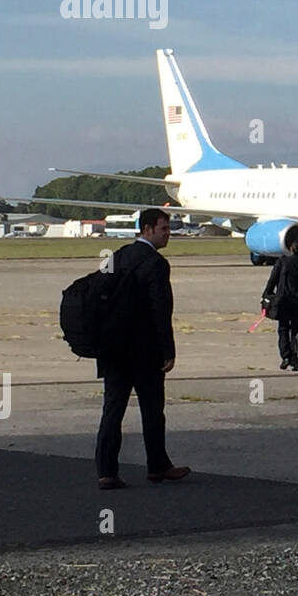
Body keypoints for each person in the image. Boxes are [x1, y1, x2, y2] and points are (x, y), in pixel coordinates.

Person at [95, 208, 189, 489]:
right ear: (147, 229)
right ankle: (158, 465)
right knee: (151, 410)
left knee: (112, 410)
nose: (168, 234)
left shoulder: (118, 256)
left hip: (112, 348)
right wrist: (168, 350)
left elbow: (100, 296)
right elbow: (161, 310)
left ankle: (106, 471)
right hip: (144, 350)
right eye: (163, 229)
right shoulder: (156, 263)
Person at [261, 239, 298, 370]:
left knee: (283, 329)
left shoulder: (282, 262)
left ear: (290, 249)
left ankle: (285, 356)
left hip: (283, 300)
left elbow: (272, 280)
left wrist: (266, 295)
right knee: (297, 330)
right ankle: (295, 358)